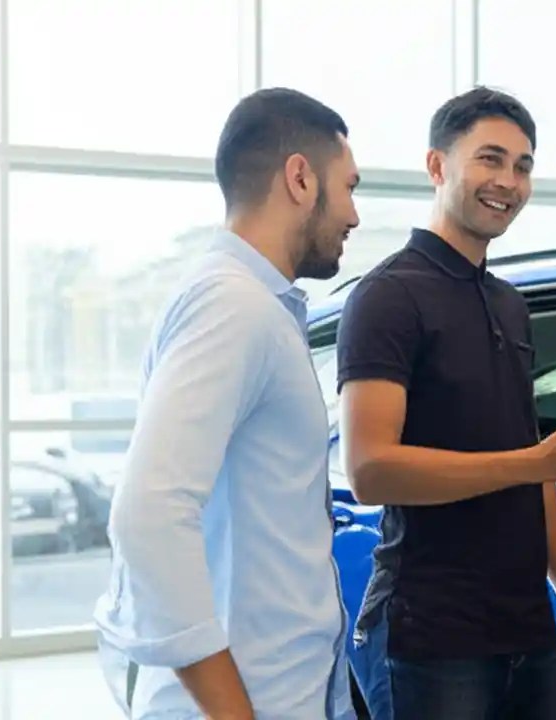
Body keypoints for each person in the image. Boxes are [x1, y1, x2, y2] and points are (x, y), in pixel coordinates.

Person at [336, 86, 556, 719]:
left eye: (522, 165)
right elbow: (370, 471)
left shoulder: (509, 304)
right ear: (437, 166)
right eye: (490, 159)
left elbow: (531, 460)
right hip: (430, 634)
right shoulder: (388, 297)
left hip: (526, 630)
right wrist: (536, 462)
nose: (508, 181)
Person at [93, 87, 362, 719]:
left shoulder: (249, 304)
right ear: (300, 178)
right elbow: (149, 516)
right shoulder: (232, 307)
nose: (354, 215)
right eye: (349, 187)